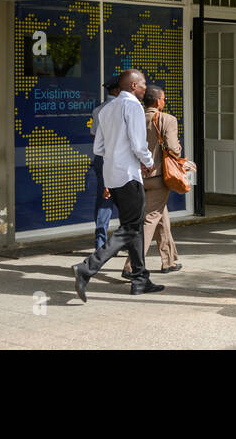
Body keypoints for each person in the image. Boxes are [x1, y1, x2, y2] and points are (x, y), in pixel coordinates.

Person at [73, 70, 164, 300]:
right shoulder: (132, 106)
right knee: (130, 228)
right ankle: (87, 268)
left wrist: (115, 157)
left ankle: (140, 279)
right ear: (133, 86)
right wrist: (148, 161)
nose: (146, 88)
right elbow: (138, 143)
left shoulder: (106, 109)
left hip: (112, 174)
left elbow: (98, 148)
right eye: (143, 84)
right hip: (129, 175)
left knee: (131, 227)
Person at [138, 85, 183, 274]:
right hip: (158, 177)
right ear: (158, 102)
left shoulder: (135, 118)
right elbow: (173, 148)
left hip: (138, 176)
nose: (164, 101)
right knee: (150, 221)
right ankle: (132, 266)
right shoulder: (167, 119)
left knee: (161, 218)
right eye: (163, 99)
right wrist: (179, 149)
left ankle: (169, 260)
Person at [89, 80, 121, 251]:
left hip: (102, 158)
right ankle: (125, 240)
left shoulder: (98, 109)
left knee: (104, 198)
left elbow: (94, 135)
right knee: (127, 200)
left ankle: (100, 243)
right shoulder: (124, 108)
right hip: (120, 159)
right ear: (117, 90)